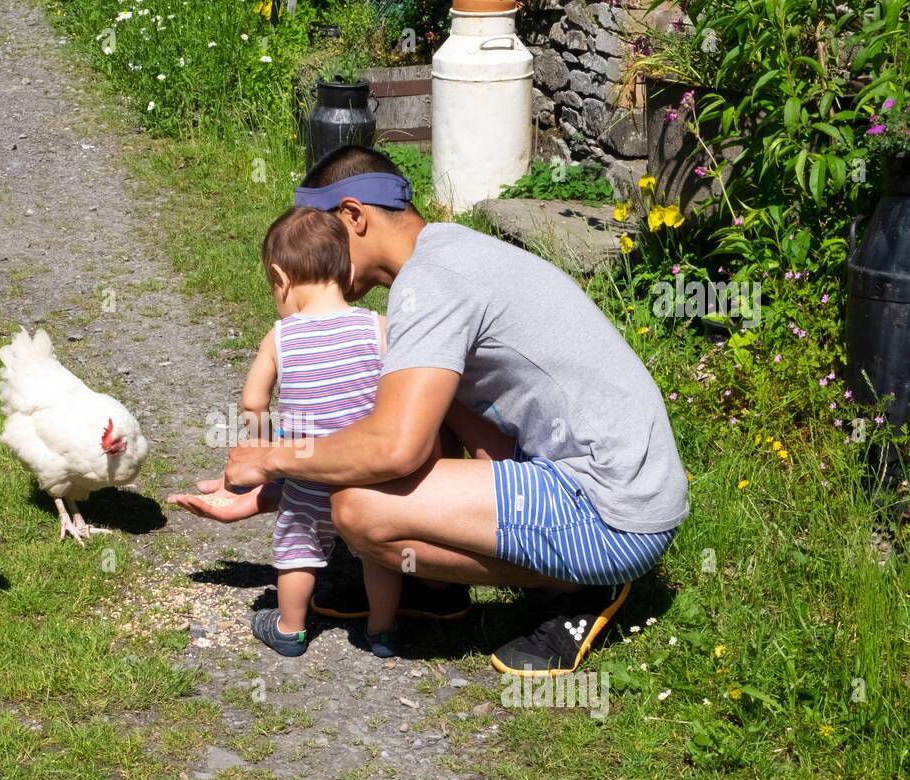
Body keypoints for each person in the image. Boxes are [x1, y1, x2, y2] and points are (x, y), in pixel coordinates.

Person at [174, 145, 688, 677]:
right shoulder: (447, 255)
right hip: (602, 477)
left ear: (355, 216)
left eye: (325, 238)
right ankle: (434, 589)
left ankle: (580, 583)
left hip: (612, 507)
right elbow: (406, 429)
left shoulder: (432, 281)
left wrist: (272, 460)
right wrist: (270, 494)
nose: (318, 262)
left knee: (360, 512)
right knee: (412, 408)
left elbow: (394, 449)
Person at [232, 206, 404, 658]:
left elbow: (253, 401)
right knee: (376, 551)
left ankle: (290, 629)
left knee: (297, 543)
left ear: (280, 278)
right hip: (366, 470)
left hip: (307, 470)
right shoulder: (379, 329)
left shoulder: (280, 337)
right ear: (348, 268)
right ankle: (382, 631)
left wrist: (265, 448)